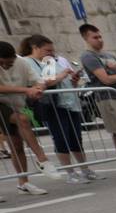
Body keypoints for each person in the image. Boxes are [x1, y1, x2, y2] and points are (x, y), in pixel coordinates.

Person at [26, 34, 99, 184]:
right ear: (35, 48)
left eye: (52, 50)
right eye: (47, 50)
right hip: (54, 105)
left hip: (70, 103)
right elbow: (46, 81)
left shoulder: (52, 61)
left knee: (76, 139)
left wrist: (73, 80)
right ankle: (71, 172)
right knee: (61, 139)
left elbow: (62, 82)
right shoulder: (29, 62)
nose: (51, 53)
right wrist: (63, 73)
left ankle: (85, 169)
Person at [79, 23, 116, 167]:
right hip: (108, 98)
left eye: (100, 36)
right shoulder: (88, 56)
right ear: (86, 38)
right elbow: (105, 79)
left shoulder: (109, 55)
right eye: (95, 37)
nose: (99, 40)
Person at [0, 40, 50, 194]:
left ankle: (24, 182)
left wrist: (38, 88)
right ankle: (42, 158)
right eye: (4, 63)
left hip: (14, 104)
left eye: (11, 63)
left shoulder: (21, 62)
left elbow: (39, 81)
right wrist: (26, 90)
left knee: (16, 146)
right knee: (22, 119)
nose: (8, 66)